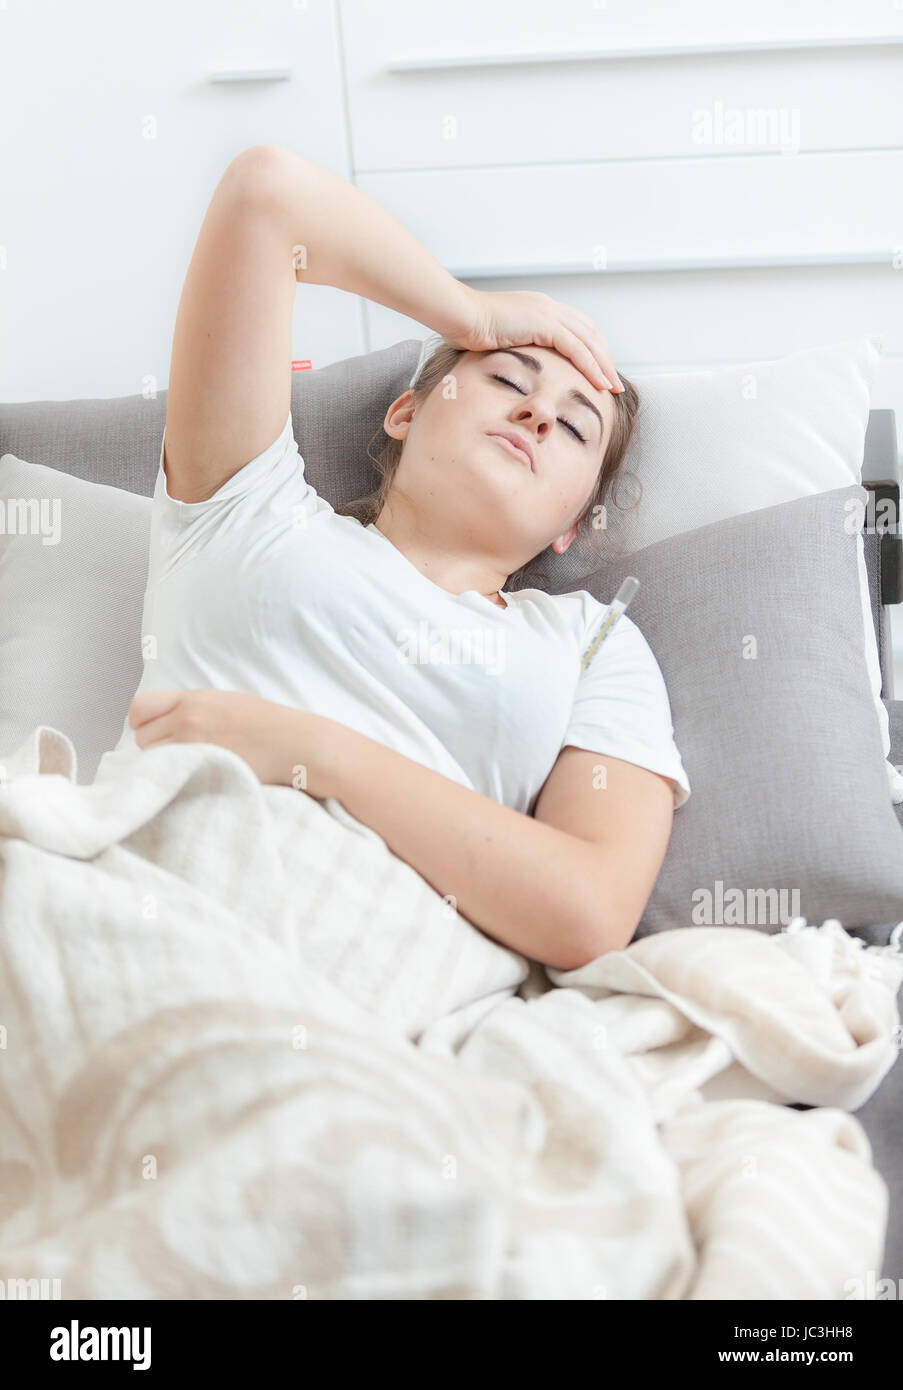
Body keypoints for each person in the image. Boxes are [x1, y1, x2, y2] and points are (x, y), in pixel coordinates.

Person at [94, 144, 691, 971]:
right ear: (406, 413)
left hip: (371, 964)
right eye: (506, 379)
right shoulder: (248, 505)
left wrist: (308, 751)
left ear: (572, 528)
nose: (538, 416)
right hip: (131, 903)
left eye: (578, 424)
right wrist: (471, 315)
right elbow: (265, 194)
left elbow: (587, 915)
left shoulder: (593, 644)